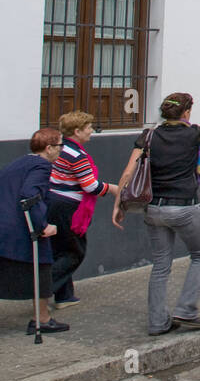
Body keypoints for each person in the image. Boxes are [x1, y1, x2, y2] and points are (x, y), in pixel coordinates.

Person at [113, 93, 200, 336]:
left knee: (160, 265)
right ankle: (186, 309)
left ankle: (157, 322)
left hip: (154, 208)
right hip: (184, 208)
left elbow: (128, 173)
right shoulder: (193, 134)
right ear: (186, 113)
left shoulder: (148, 136)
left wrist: (119, 205)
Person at [47, 112, 118, 308]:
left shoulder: (59, 150)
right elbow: (90, 186)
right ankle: (43, 288)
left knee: (59, 250)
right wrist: (112, 189)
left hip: (52, 202)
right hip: (69, 208)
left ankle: (64, 296)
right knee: (73, 252)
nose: (91, 131)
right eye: (88, 127)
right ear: (77, 131)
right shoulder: (78, 156)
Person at [0, 128, 67, 334]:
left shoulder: (19, 163)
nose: (61, 150)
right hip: (20, 227)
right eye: (59, 146)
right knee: (42, 266)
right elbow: (30, 194)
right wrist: (43, 225)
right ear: (48, 148)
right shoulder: (42, 165)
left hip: (5, 225)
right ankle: (42, 319)